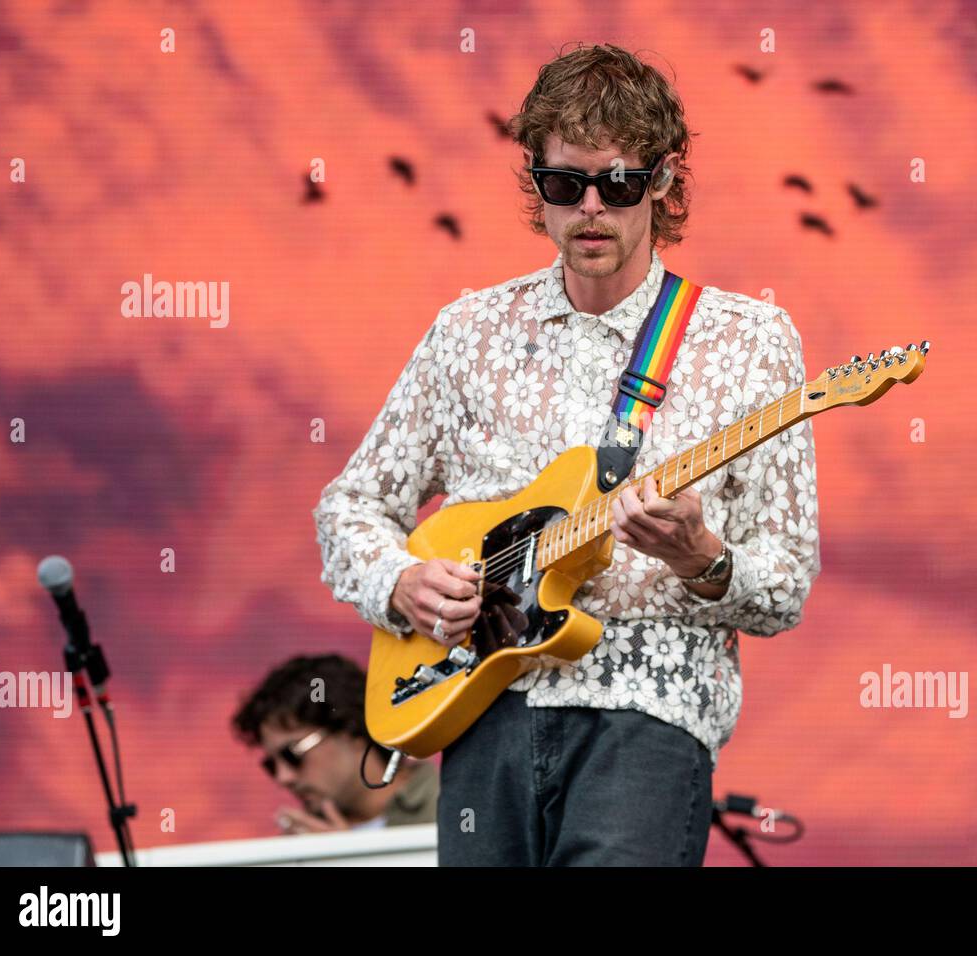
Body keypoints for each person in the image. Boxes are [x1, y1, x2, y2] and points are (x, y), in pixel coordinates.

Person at [313, 43, 820, 865]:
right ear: (534, 182)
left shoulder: (751, 342)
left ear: (661, 180)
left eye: (619, 183)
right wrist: (400, 581)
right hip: (480, 713)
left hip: (649, 716)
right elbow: (351, 505)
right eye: (564, 184)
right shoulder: (469, 332)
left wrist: (704, 558)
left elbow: (786, 583)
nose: (591, 208)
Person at [231, 654, 438, 833]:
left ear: (351, 731)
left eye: (291, 754)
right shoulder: (303, 837)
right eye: (270, 765)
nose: (283, 777)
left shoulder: (451, 804)